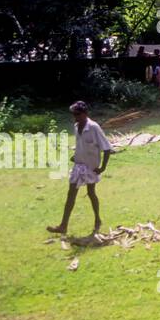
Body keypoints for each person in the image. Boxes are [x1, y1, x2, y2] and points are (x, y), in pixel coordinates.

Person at [47, 101, 112, 236]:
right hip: (78, 165)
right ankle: (63, 225)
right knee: (71, 193)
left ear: (85, 113)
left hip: (91, 166)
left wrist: (102, 168)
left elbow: (106, 148)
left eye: (77, 114)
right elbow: (80, 144)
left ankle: (98, 219)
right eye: (73, 115)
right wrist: (75, 156)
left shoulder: (94, 127)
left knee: (91, 193)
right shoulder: (77, 127)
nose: (75, 117)